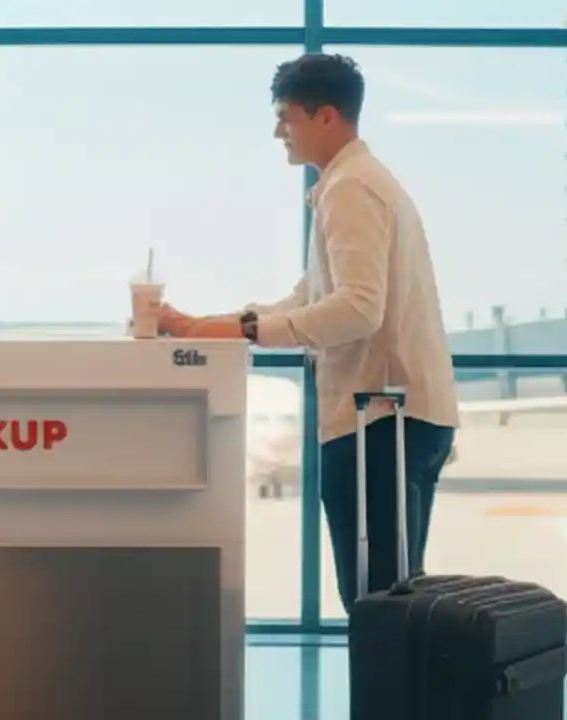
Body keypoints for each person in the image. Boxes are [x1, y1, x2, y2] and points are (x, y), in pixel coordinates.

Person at [158, 52, 458, 613]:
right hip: (393, 418)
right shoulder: (352, 185)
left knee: (377, 603)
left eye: (286, 117)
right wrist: (206, 326)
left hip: (383, 422)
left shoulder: (352, 190)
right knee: (384, 599)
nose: (278, 131)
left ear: (327, 117)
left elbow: (359, 309)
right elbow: (308, 298)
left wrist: (246, 329)